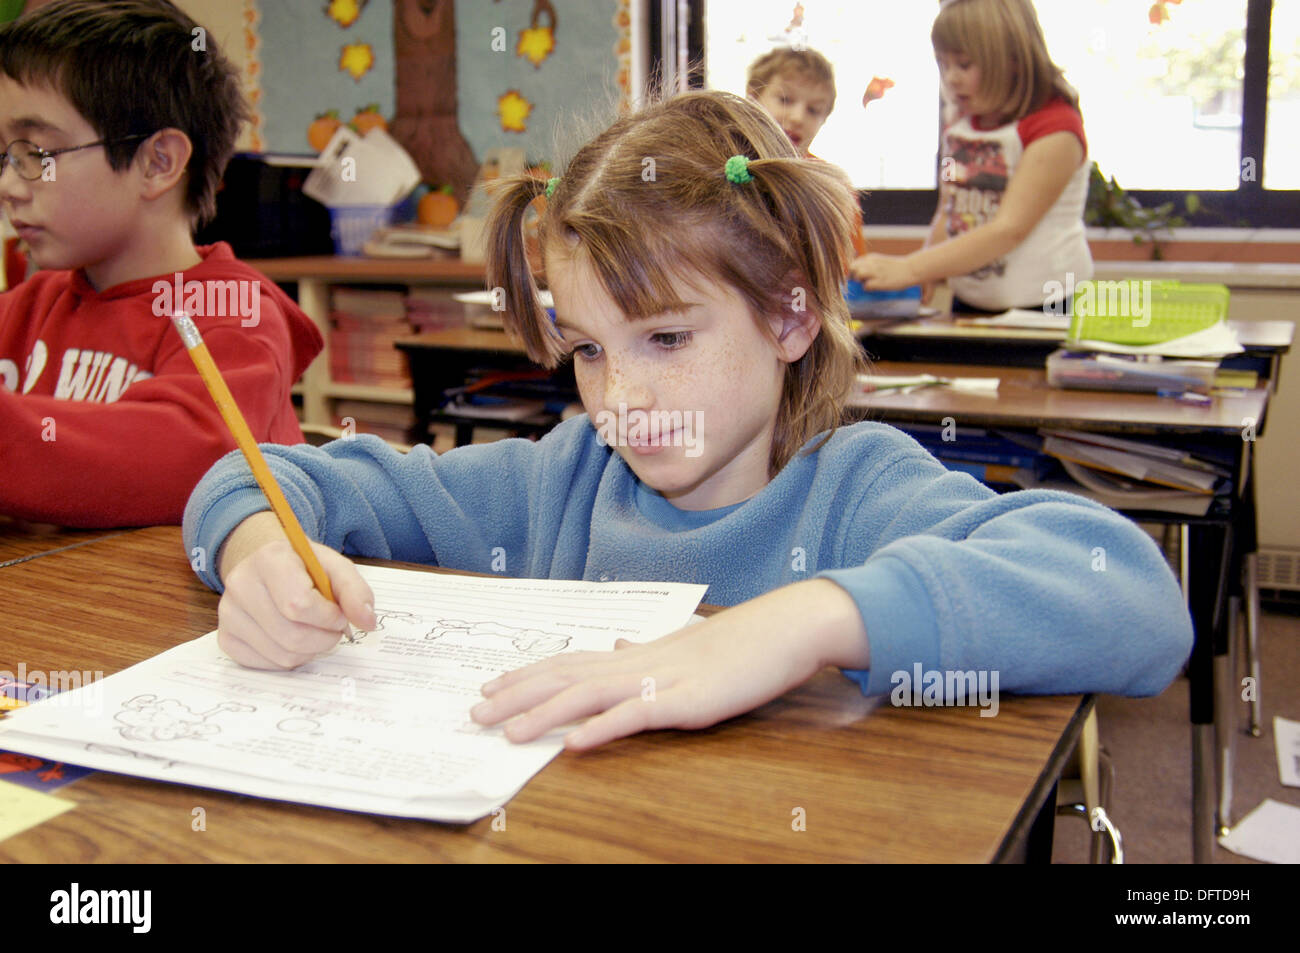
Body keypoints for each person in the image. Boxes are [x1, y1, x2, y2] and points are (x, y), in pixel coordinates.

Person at [183, 90, 1190, 752]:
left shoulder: (857, 490)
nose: (619, 399)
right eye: (586, 348)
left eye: (665, 339)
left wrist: (798, 625)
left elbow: (1134, 598)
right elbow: (270, 471)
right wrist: (257, 545)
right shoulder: (557, 482)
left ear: (790, 313)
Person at [0, 0, 322, 528]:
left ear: (158, 163)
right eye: (5, 156)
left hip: (183, 608)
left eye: (37, 154)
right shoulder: (25, 308)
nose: (9, 186)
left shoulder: (233, 313)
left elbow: (192, 462)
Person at [850, 0, 1093, 312]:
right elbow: (950, 205)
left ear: (1014, 60)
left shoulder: (1056, 128)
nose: (951, 78)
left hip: (1046, 305)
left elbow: (1009, 229)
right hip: (972, 299)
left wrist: (911, 267)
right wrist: (927, 266)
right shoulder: (959, 124)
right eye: (943, 64)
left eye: (963, 65)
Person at [747, 46, 867, 256]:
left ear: (824, 121)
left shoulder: (833, 187)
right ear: (752, 98)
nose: (797, 117)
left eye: (813, 110)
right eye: (785, 100)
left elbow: (848, 270)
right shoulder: (722, 167)